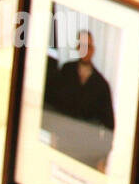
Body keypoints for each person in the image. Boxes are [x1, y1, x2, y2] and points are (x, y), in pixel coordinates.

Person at [45, 30, 115, 172]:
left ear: (93, 50)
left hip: (88, 151)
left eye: (88, 46)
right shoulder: (66, 71)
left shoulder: (101, 85)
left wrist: (103, 157)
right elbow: (54, 105)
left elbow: (109, 126)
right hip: (64, 144)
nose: (85, 50)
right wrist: (53, 136)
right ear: (77, 47)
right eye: (82, 46)